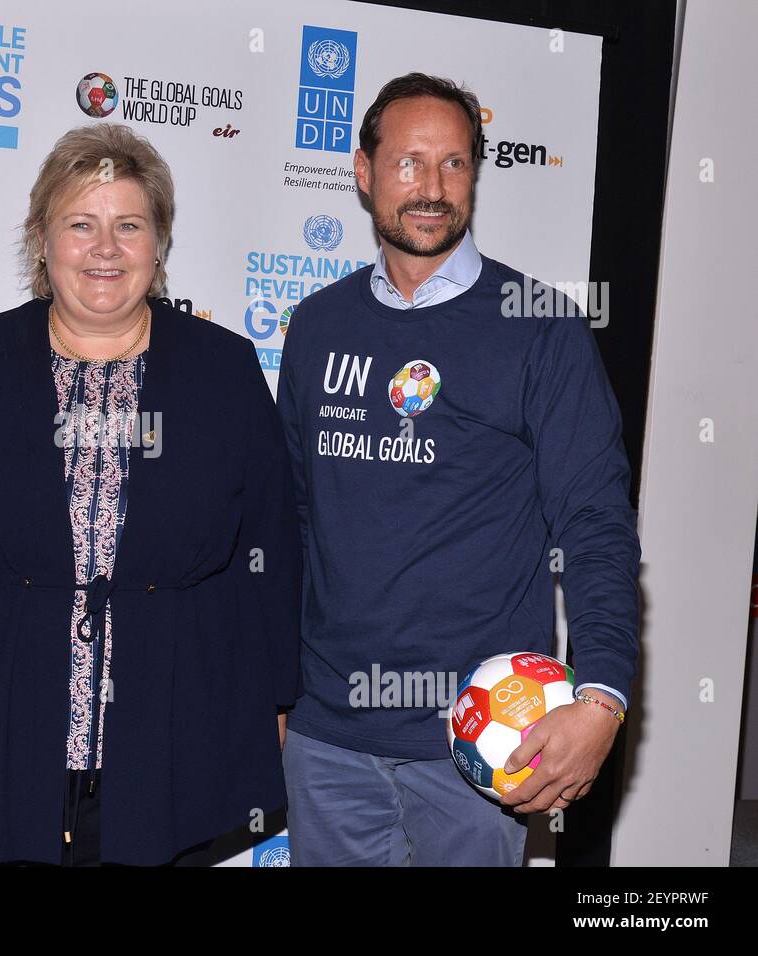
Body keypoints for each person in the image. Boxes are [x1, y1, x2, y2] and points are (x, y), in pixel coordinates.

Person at [0, 123, 301, 866]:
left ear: (158, 246)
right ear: (41, 240)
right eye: (80, 225)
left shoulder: (224, 370)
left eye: (129, 225)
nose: (106, 248)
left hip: (171, 739)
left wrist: (275, 698)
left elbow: (272, 549)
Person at [278, 73, 640, 866]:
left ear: (476, 173)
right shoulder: (316, 324)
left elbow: (596, 523)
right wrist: (279, 688)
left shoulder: (539, 327)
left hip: (482, 744)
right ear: (363, 172)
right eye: (408, 163)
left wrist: (604, 697)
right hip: (328, 741)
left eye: (453, 164)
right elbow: (294, 519)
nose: (431, 189)